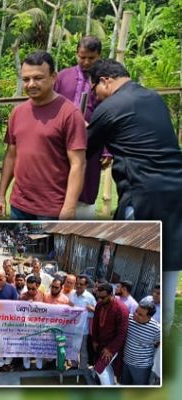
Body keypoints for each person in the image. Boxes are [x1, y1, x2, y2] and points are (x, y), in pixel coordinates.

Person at [86, 58, 182, 334]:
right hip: (176, 193)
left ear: (105, 81)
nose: (96, 97)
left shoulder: (110, 106)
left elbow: (85, 148)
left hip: (143, 196)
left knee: (135, 265)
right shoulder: (153, 98)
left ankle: (143, 342)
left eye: (95, 90)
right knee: (168, 282)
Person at [0, 51, 86, 220]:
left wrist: (69, 207)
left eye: (38, 78)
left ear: (53, 77)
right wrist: (1, 195)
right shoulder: (17, 112)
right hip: (19, 205)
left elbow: (78, 164)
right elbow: (11, 156)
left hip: (52, 209)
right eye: (26, 79)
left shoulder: (70, 114)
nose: (31, 84)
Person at [53, 36, 107, 219]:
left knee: (86, 181)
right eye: (81, 57)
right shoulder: (63, 76)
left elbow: (110, 116)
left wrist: (107, 151)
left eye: (91, 58)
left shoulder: (105, 81)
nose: (85, 62)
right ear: (76, 53)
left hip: (91, 142)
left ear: (99, 56)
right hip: (61, 141)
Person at [92, 283, 129, 385]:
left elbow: (122, 333)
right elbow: (95, 323)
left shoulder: (121, 309)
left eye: (102, 297)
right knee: (104, 367)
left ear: (111, 295)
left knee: (100, 369)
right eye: (98, 297)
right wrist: (94, 339)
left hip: (112, 346)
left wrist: (110, 349)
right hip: (100, 343)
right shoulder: (100, 304)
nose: (99, 300)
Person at [121, 301, 160, 385]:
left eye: (140, 314)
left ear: (149, 316)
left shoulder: (156, 329)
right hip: (126, 362)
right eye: (136, 311)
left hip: (142, 367)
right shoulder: (129, 319)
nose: (136, 315)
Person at [71, 275, 97, 369]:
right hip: (72, 329)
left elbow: (96, 313)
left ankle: (82, 369)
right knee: (73, 348)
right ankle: (74, 366)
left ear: (86, 285)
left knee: (83, 351)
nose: (78, 286)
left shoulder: (90, 298)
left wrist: (88, 312)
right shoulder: (72, 294)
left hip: (83, 330)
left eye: (81, 284)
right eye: (77, 283)